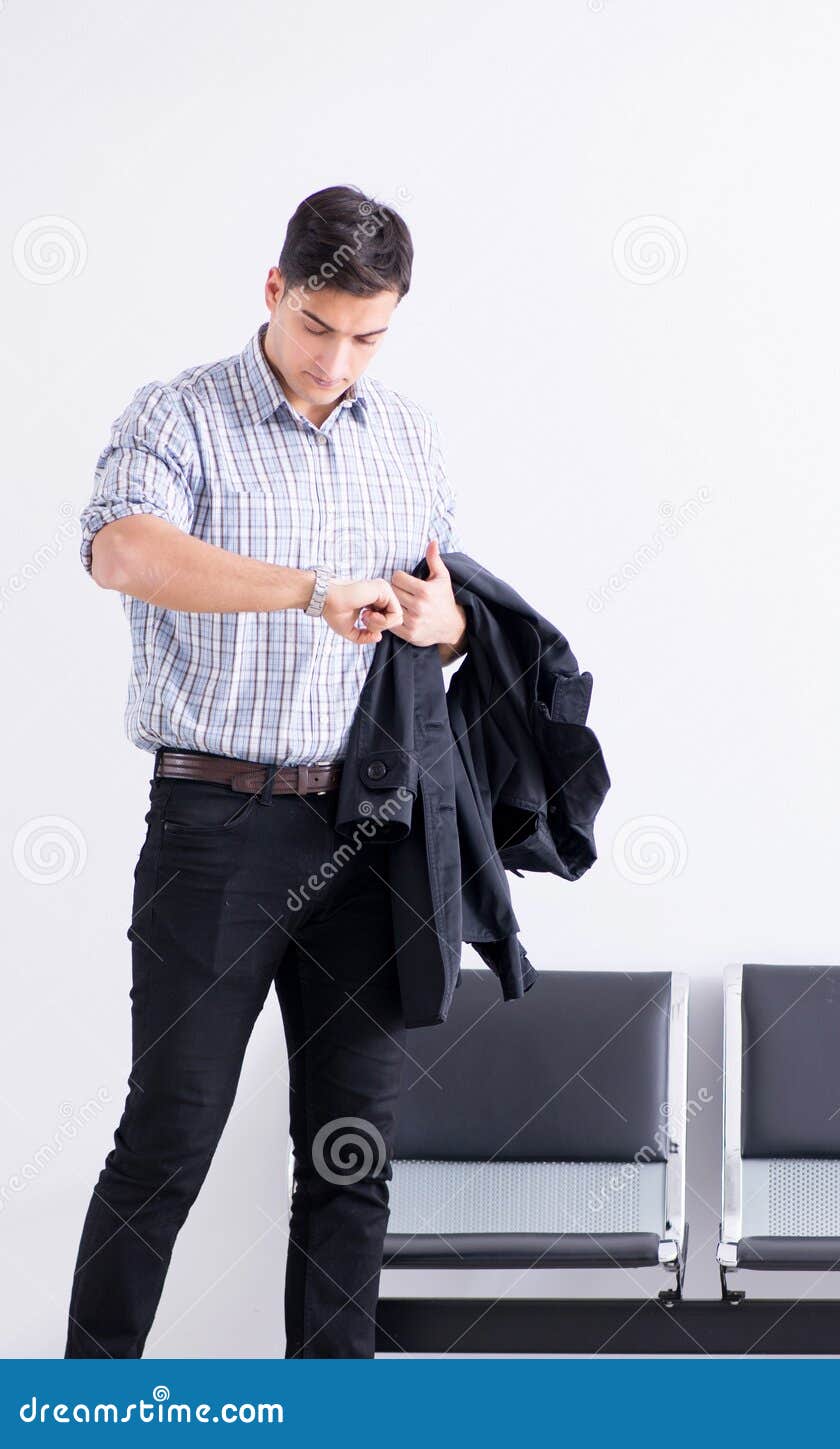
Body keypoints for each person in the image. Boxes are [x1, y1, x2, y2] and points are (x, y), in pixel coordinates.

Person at [66, 184, 467, 1358]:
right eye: (319, 326)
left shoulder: (408, 432)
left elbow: (447, 616)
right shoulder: (179, 415)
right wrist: (307, 591)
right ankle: (93, 1413)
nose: (339, 358)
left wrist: (440, 624)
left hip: (368, 829)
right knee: (169, 1138)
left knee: (352, 1151)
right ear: (274, 290)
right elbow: (122, 552)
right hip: (218, 823)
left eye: (369, 335)